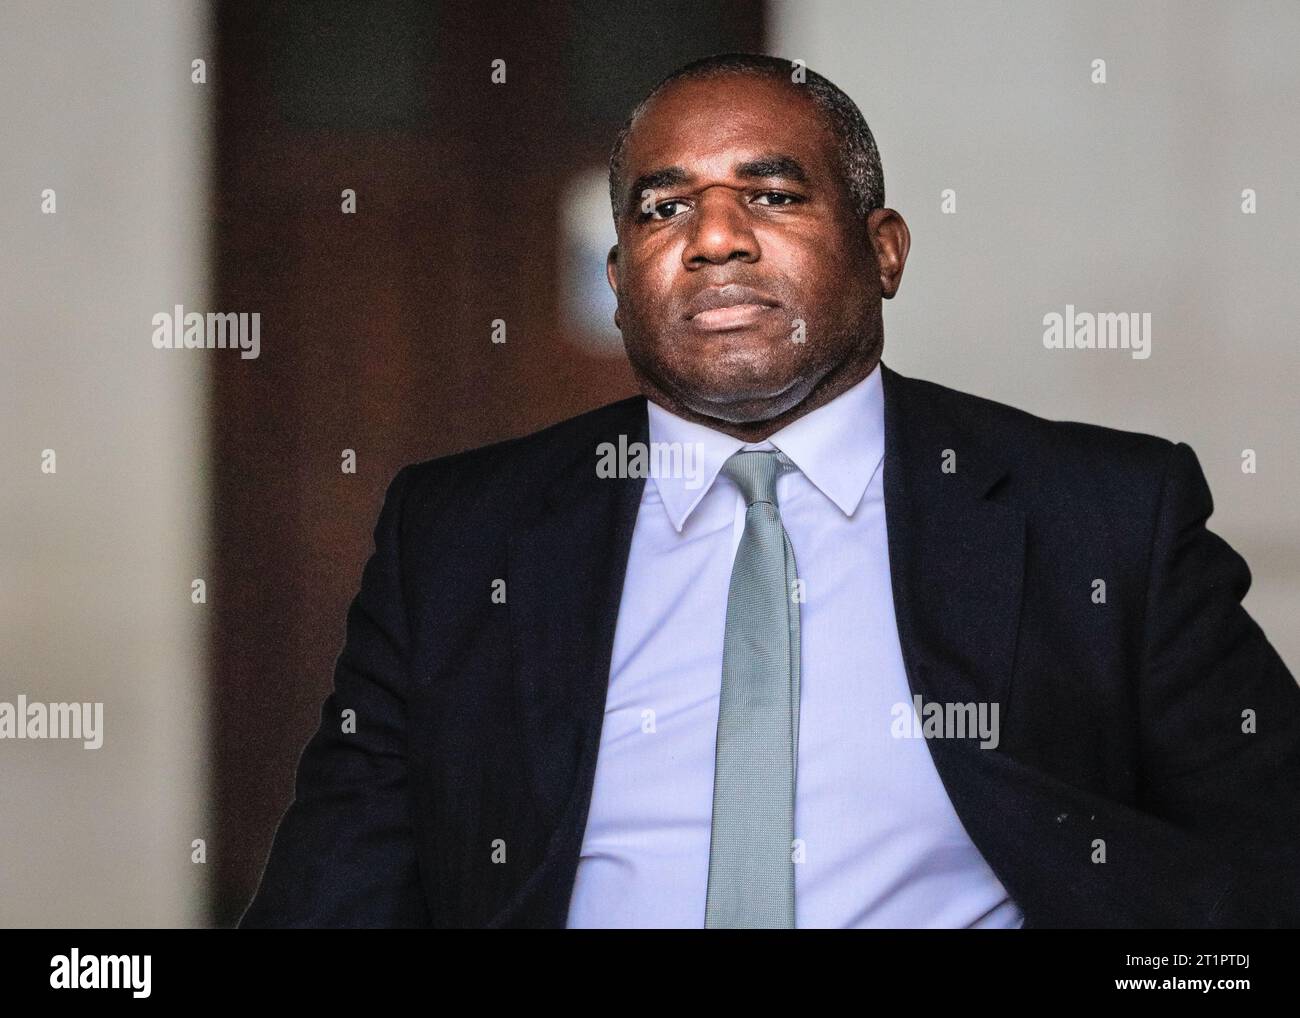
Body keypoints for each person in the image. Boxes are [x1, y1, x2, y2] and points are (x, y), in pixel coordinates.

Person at [240, 53, 1300, 928]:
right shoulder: (464, 536)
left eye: (771, 194)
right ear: (618, 283)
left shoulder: (1101, 516)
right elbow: (336, 889)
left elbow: (1264, 857)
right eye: (664, 210)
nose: (713, 238)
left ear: (882, 251)